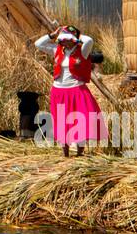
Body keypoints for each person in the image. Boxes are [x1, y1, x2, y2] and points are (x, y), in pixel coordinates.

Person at [34, 25, 106, 156]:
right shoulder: (57, 50)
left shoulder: (82, 50)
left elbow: (89, 40)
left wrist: (76, 35)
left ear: (73, 39)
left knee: (81, 121)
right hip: (59, 91)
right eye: (63, 39)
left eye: (67, 39)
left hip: (76, 89)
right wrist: (53, 34)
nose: (64, 42)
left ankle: (80, 153)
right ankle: (65, 153)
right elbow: (38, 44)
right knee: (62, 121)